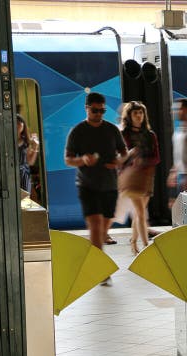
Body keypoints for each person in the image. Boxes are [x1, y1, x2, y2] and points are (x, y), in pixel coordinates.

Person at [64, 92, 127, 285]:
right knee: (96, 226)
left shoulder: (111, 130)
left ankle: (91, 257)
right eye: (95, 110)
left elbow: (124, 152)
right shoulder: (77, 131)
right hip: (87, 185)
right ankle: (100, 271)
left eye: (102, 111)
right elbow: (67, 159)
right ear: (87, 108)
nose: (99, 114)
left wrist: (118, 161)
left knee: (103, 229)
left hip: (109, 185)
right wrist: (82, 160)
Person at [119, 101, 161, 255]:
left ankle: (133, 242)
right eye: (135, 113)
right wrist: (131, 156)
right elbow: (120, 158)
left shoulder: (151, 135)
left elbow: (156, 158)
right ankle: (145, 245)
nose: (138, 116)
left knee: (139, 212)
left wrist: (143, 161)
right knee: (141, 212)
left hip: (146, 176)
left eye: (141, 113)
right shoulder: (124, 134)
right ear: (129, 115)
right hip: (130, 177)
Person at [17, 114, 39, 194]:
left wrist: (35, 147)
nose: (17, 124)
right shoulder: (5, 141)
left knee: (24, 202)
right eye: (15, 122)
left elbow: (30, 162)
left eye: (19, 122)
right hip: (10, 176)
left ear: (23, 125)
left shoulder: (27, 142)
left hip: (23, 176)